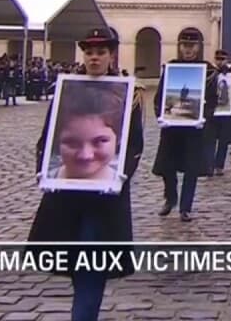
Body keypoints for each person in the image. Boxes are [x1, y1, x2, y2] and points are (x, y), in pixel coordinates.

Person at [27, 27, 144, 321]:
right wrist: (43, 170)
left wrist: (119, 176)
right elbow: (49, 136)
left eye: (100, 52)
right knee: (74, 259)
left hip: (104, 198)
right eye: (89, 52)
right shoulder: (66, 90)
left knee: (93, 261)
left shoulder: (127, 93)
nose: (94, 58)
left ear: (111, 55)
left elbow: (134, 144)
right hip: (66, 194)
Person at [152, 29, 214, 222]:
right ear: (179, 46)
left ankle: (185, 208)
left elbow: (213, 100)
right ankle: (170, 198)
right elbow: (160, 96)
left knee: (191, 169)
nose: (188, 50)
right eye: (184, 45)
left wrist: (205, 118)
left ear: (198, 47)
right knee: (167, 167)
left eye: (192, 45)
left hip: (194, 129)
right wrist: (160, 115)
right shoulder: (171, 68)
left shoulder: (208, 71)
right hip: (172, 127)